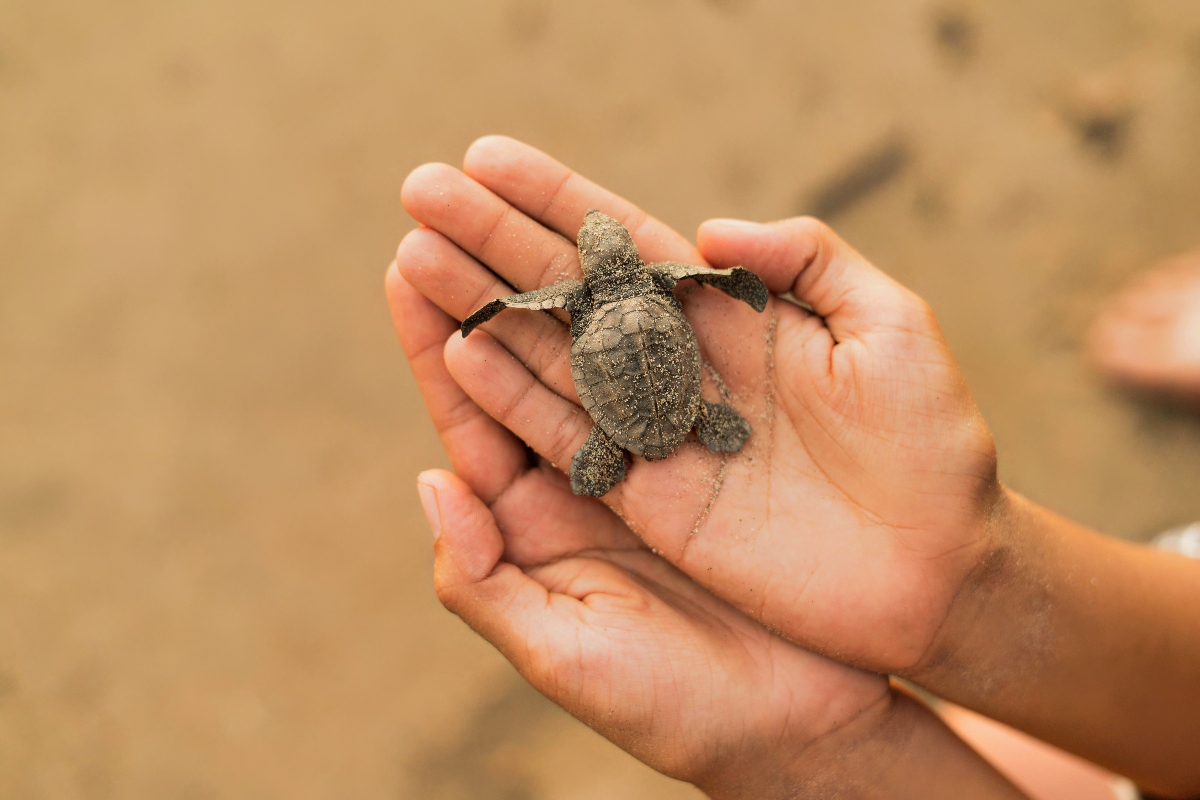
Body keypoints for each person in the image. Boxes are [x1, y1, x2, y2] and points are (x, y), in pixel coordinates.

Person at [385, 136, 1200, 799]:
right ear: (628, 257)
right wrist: (741, 288)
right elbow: (712, 278)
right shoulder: (661, 281)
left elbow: (529, 303)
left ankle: (623, 441)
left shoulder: (579, 301)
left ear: (595, 270)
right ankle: (694, 420)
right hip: (685, 402)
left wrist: (490, 313)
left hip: (618, 412)